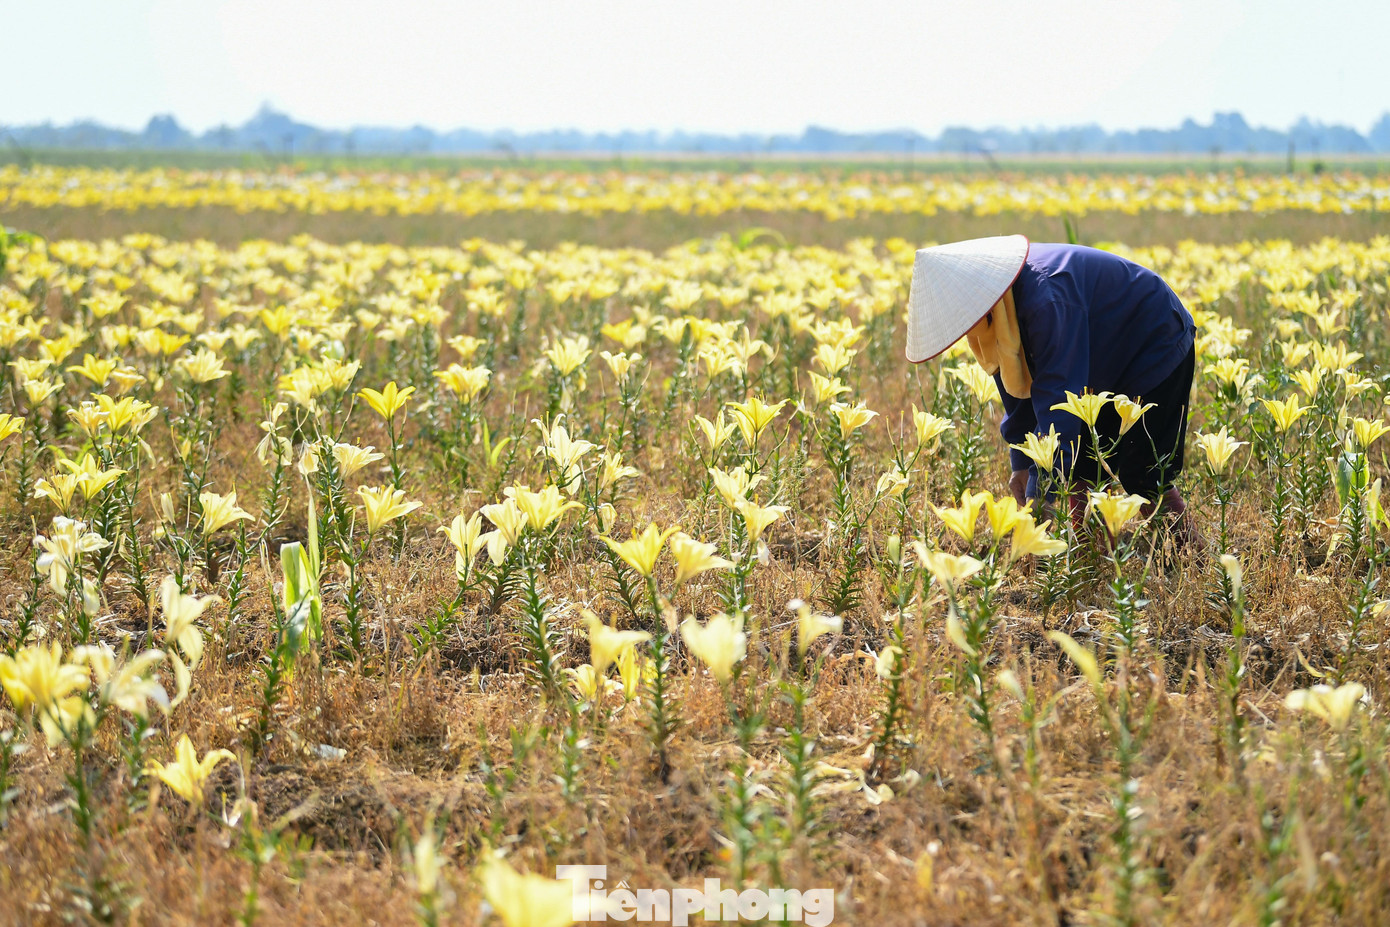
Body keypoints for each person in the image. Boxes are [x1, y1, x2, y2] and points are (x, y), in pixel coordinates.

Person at [905, 234, 1199, 539]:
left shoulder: (1045, 299)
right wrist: (1022, 462)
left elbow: (1060, 401)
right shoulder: (996, 311)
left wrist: (1040, 490)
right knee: (1082, 466)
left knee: (1145, 474)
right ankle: (1091, 559)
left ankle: (1191, 553)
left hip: (1154, 338)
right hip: (1102, 355)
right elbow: (1015, 383)